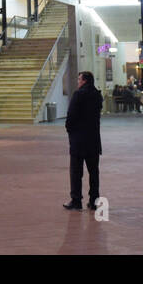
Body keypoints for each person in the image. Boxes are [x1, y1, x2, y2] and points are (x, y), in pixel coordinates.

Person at [63, 71, 103, 210]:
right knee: (94, 172)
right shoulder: (97, 95)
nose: (78, 81)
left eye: (79, 79)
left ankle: (76, 200)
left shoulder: (78, 94)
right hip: (93, 140)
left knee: (76, 172)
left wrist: (70, 130)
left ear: (84, 80)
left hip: (79, 140)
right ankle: (94, 201)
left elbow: (71, 115)